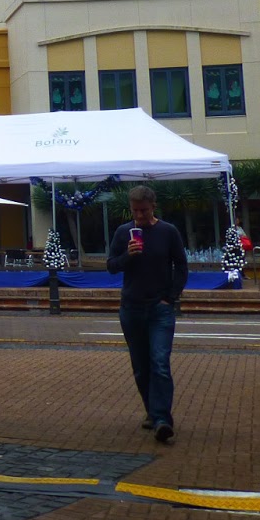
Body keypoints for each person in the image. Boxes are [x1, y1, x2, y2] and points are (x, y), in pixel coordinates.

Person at [106, 186, 187, 445]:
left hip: (159, 308)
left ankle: (162, 419)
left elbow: (181, 265)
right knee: (141, 368)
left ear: (153, 206)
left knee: (160, 362)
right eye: (135, 211)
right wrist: (127, 256)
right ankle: (153, 413)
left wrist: (170, 297)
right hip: (131, 307)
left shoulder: (168, 232)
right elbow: (111, 266)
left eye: (144, 210)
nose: (139, 216)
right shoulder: (123, 233)